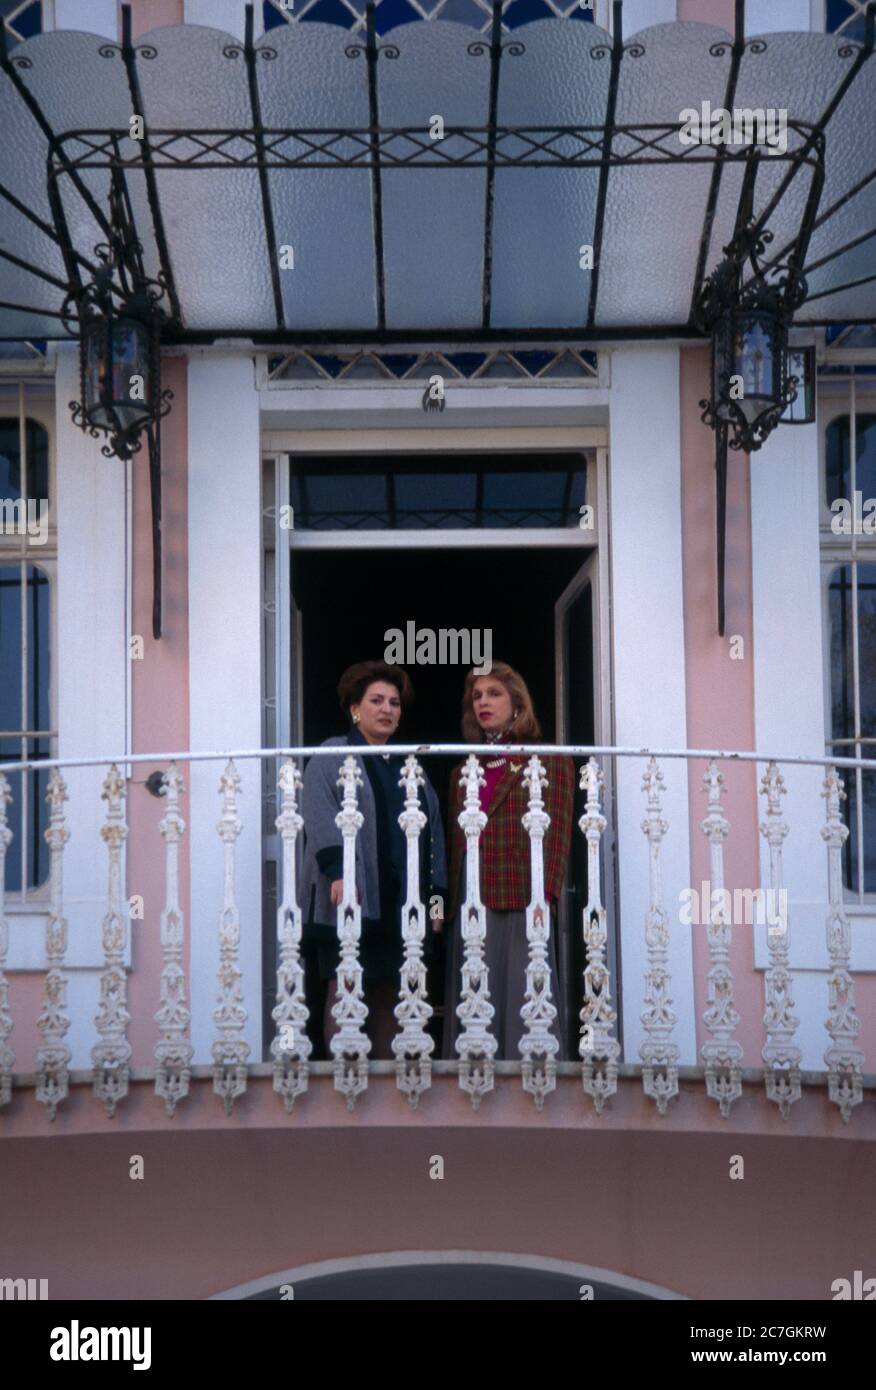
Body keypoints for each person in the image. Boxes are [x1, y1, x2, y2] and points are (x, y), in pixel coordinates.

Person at [300, 660, 446, 1059]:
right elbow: (319, 813)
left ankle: (385, 1086)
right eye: (376, 700)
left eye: (394, 703)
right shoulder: (333, 754)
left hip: (401, 905)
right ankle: (343, 1079)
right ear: (355, 709)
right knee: (345, 989)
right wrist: (338, 873)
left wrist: (436, 904)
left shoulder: (410, 767)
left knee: (390, 995)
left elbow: (434, 837)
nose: (387, 709)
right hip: (351, 899)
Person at [443, 662, 574, 1061]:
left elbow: (558, 835)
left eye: (494, 693)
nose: (483, 702)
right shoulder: (462, 771)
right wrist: (442, 908)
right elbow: (454, 847)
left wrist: (545, 895)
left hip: (521, 895)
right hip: (470, 900)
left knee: (523, 995)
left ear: (517, 703)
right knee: (473, 999)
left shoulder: (547, 761)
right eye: (477, 696)